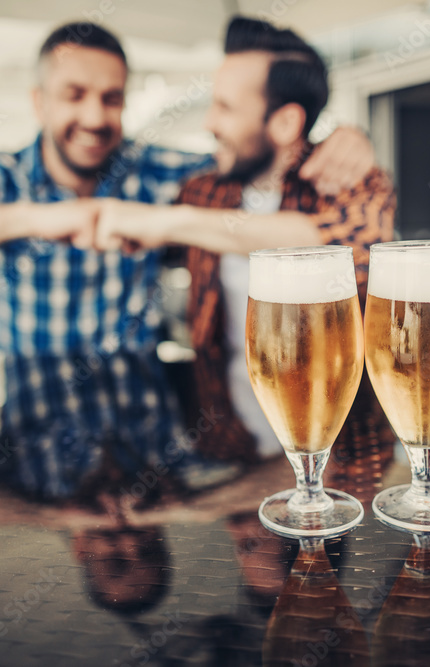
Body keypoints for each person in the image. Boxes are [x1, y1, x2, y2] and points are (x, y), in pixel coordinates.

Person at [0, 21, 377, 498]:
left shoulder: (151, 171)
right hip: (36, 420)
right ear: (39, 102)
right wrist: (33, 219)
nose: (95, 117)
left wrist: (342, 137)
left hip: (147, 430)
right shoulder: (2, 177)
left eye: (111, 99)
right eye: (75, 95)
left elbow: (259, 155)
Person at [91, 17, 397, 461]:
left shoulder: (352, 181)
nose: (209, 122)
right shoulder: (204, 189)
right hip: (228, 440)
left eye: (225, 107)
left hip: (341, 445)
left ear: (286, 122)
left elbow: (345, 252)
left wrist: (173, 222)